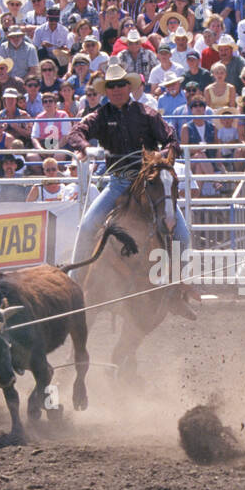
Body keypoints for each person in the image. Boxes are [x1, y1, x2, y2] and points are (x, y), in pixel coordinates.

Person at [60, 63, 194, 312]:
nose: (117, 89)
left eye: (121, 84)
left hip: (149, 182)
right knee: (88, 226)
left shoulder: (146, 114)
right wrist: (84, 147)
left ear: (129, 87)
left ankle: (178, 289)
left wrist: (165, 152)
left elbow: (172, 138)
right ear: (106, 91)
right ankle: (75, 286)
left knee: (183, 235)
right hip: (119, 181)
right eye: (111, 86)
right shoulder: (100, 116)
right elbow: (76, 132)